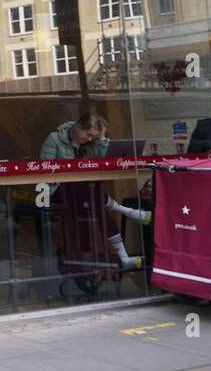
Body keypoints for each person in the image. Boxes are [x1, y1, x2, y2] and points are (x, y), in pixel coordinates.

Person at [39, 113, 150, 269]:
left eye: (93, 136)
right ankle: (128, 212)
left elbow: (108, 158)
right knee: (87, 187)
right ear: (78, 127)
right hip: (54, 191)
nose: (90, 139)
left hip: (83, 192)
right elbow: (42, 170)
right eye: (88, 134)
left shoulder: (91, 143)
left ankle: (124, 258)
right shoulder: (54, 139)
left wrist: (103, 138)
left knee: (97, 204)